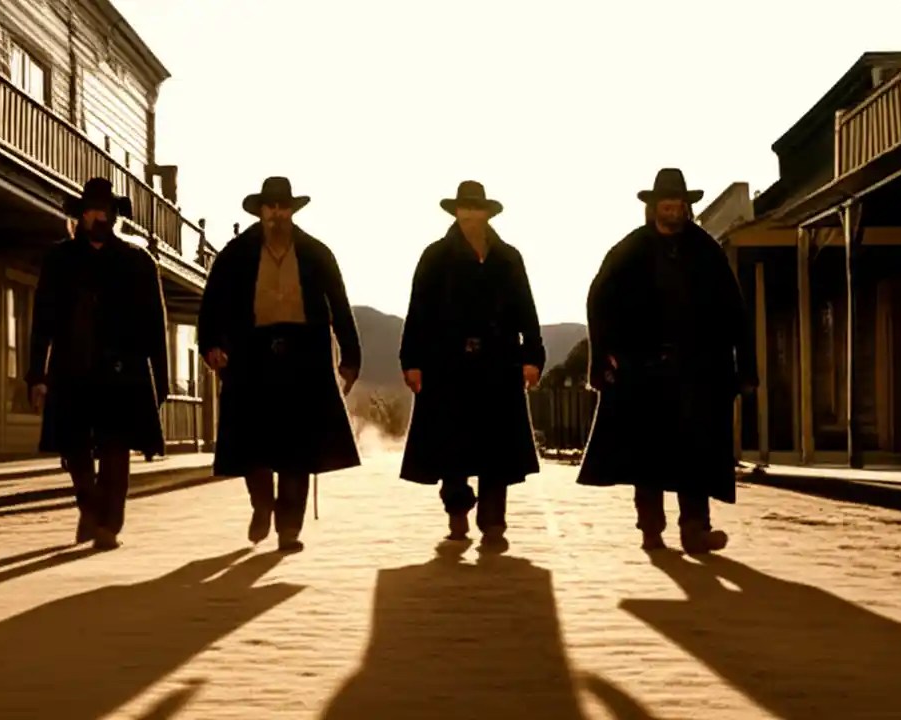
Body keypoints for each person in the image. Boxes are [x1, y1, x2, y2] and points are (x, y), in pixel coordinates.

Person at [578, 168, 757, 554]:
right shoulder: (630, 251)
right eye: (666, 204)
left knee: (696, 454)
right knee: (647, 456)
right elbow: (598, 300)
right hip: (642, 370)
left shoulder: (706, 251)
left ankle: (695, 530)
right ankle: (651, 529)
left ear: (686, 207)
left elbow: (733, 311)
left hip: (697, 369)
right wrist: (604, 358)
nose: (673, 210)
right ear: (655, 207)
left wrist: (746, 369)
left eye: (678, 204)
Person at [198, 176, 361, 554]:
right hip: (250, 354)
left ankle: (289, 529)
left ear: (291, 210)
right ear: (260, 211)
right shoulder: (235, 254)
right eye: (270, 207)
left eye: (282, 207)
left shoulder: (316, 253)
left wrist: (351, 357)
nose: (276, 214)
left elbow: (340, 305)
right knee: (251, 446)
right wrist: (211, 345)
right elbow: (213, 303)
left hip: (304, 356)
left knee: (297, 450)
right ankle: (261, 505)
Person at [399, 181, 545, 552]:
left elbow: (526, 310)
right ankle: (457, 509)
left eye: (475, 208)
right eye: (463, 208)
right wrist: (411, 361)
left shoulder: (508, 258)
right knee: (451, 446)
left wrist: (533, 356)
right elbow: (417, 312)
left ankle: (493, 523)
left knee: (497, 448)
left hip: (499, 362)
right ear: (456, 212)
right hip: (446, 364)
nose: (469, 215)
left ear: (486, 214)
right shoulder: (435, 257)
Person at [27, 177, 171, 550]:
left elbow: (155, 326)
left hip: (122, 371)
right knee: (75, 449)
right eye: (92, 211)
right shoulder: (59, 261)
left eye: (105, 211)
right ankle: (89, 507)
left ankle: (109, 524)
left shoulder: (138, 262)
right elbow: (42, 320)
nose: (99, 217)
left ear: (114, 215)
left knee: (115, 450)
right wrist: (36, 374)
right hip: (71, 369)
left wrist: (161, 381)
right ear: (81, 216)